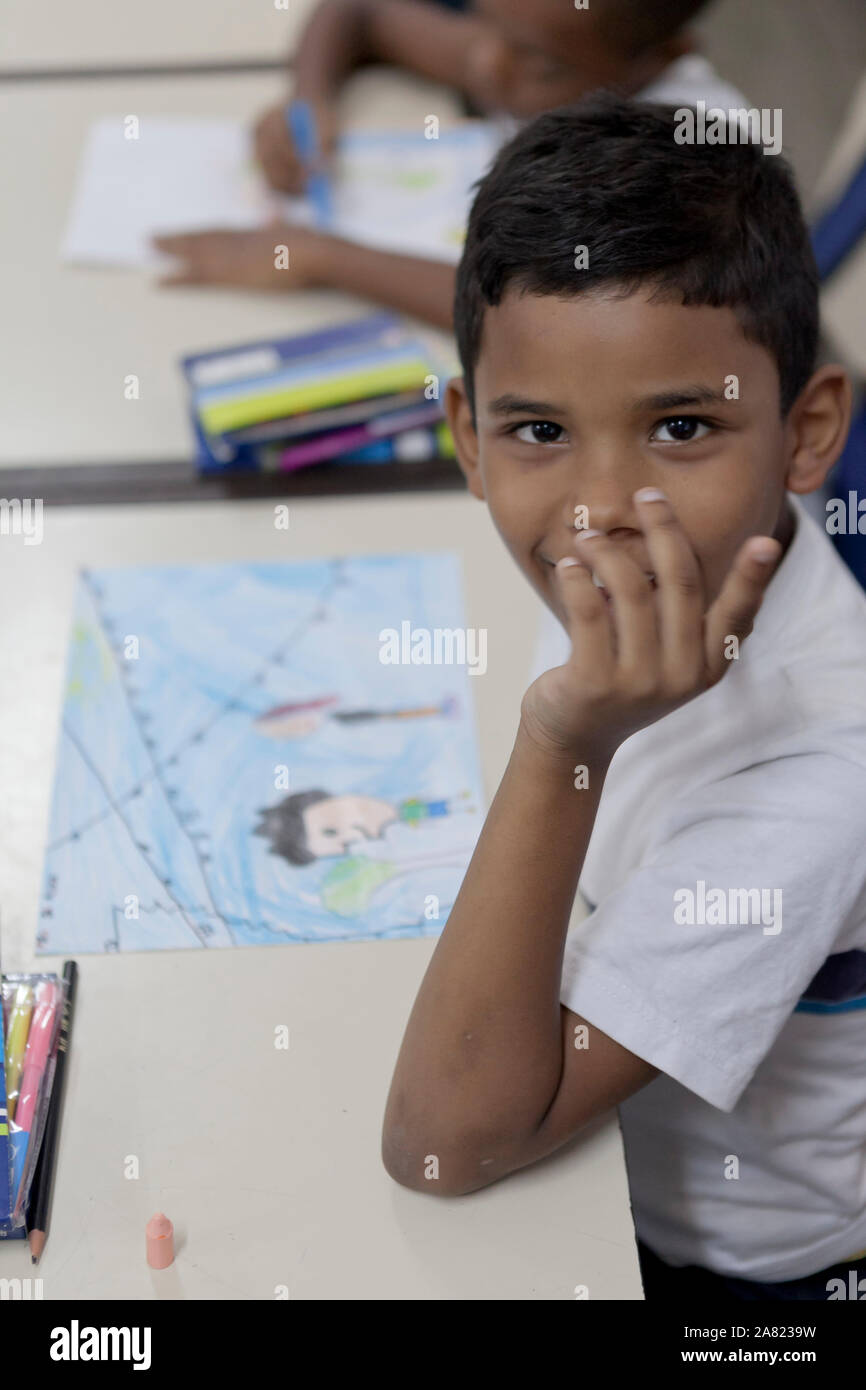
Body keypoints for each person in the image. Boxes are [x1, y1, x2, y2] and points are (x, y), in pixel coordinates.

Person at [380, 96, 866, 1302]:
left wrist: (563, 738)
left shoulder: (824, 772)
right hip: (588, 1164)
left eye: (680, 426)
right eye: (539, 428)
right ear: (469, 440)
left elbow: (445, 1142)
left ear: (805, 433)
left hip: (722, 1266)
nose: (603, 504)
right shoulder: (655, 582)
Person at [153, 0, 743, 327]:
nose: (486, 65)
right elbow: (358, 15)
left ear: (661, 59)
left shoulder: (686, 154)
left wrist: (322, 256)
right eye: (486, 21)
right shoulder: (532, 49)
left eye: (539, 62)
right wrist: (311, 97)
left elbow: (546, 316)